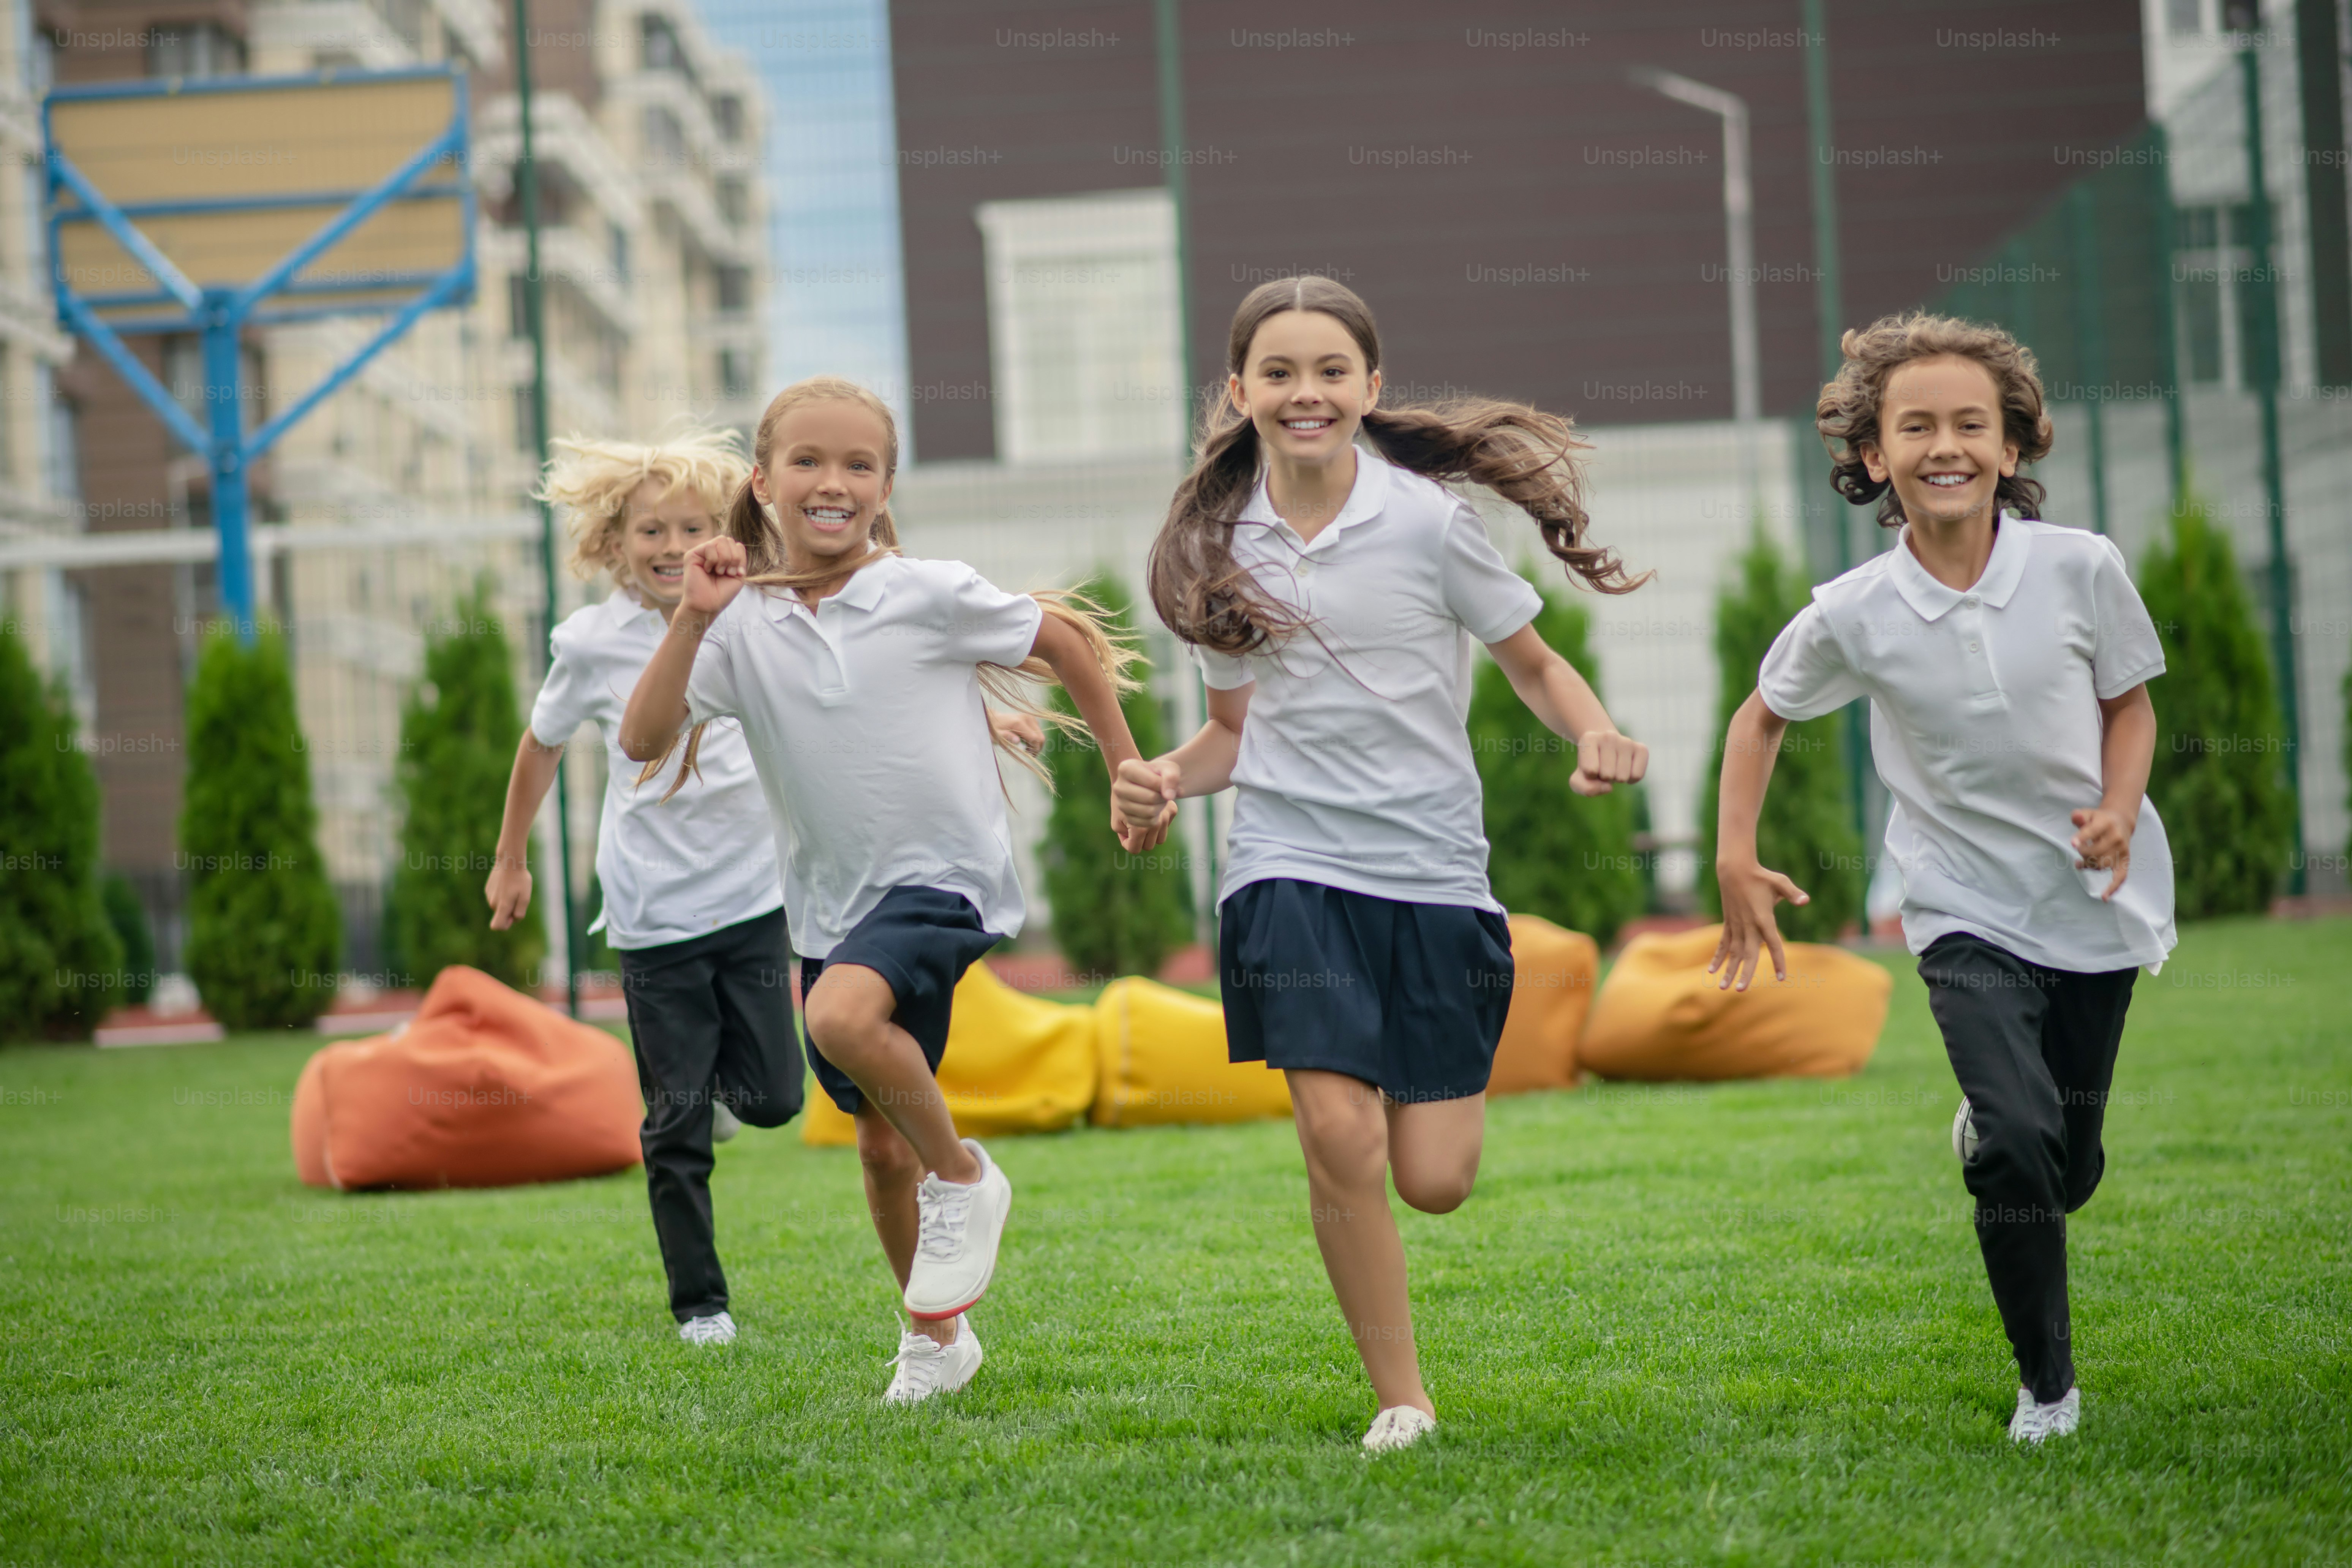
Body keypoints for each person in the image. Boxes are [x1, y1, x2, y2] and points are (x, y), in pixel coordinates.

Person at [1112, 277, 1650, 1452]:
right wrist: (1158, 775)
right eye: (1281, 373)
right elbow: (1229, 739)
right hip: (1288, 868)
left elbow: (1534, 665)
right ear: (1242, 390)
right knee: (1338, 1137)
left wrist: (1596, 729)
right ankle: (1402, 1398)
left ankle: (1408, 1269)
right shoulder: (1216, 544)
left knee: (1436, 1179)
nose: (1306, 393)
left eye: (1330, 372)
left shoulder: (1427, 523)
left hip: (1437, 877)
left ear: (1371, 388)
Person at [618, 376, 1156, 1404]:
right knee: (874, 1147)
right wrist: (693, 615)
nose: (834, 482)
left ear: (886, 483)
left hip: (947, 885)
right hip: (834, 910)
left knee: (839, 1014)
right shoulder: (736, 627)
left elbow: (1066, 643)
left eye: (859, 464)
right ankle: (937, 1334)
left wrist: (1127, 770)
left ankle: (965, 1175)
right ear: (765, 484)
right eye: (809, 463)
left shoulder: (928, 591)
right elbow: (645, 741)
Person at [1710, 311, 2174, 1445]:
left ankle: (1999, 1132)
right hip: (1959, 903)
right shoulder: (1854, 612)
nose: (1945, 444)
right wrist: (1735, 859)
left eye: (1972, 423)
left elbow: (2130, 703)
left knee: (2065, 1166)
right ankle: (2048, 1390)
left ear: (2013, 448)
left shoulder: (2082, 568)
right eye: (1914, 426)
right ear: (1873, 456)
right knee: (2023, 1143)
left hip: (2092, 900)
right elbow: (1759, 717)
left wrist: (2117, 811)